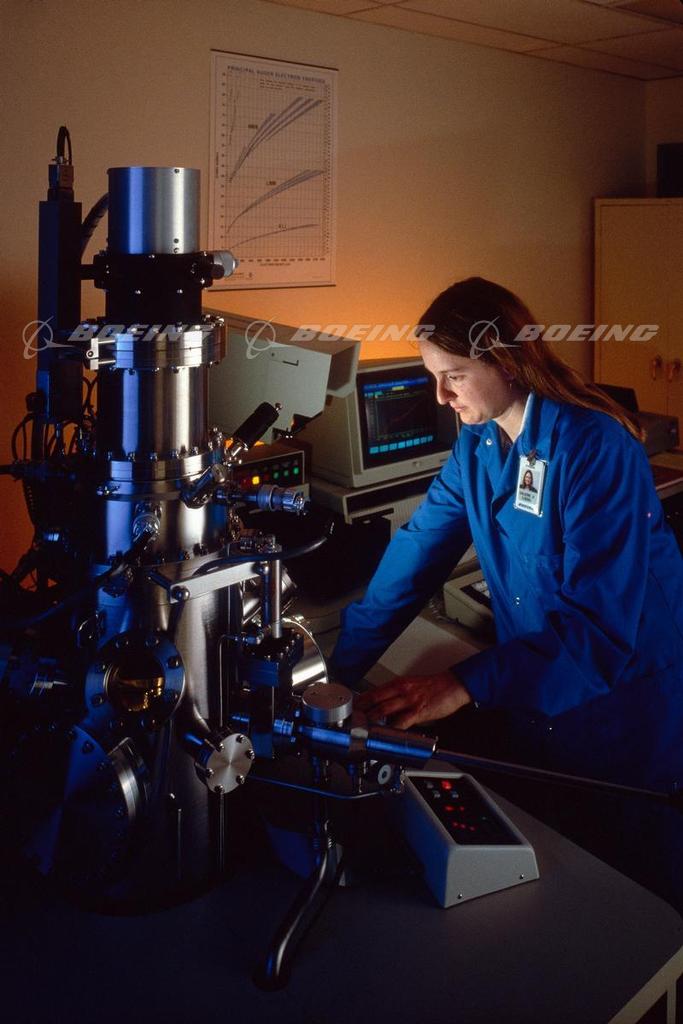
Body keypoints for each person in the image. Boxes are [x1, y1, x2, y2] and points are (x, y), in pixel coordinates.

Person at [329, 277, 683, 906]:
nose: (441, 397)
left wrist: (462, 684)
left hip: (624, 710)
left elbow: (599, 628)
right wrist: (338, 674)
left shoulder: (594, 446)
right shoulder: (481, 443)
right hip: (539, 695)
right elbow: (418, 550)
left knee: (638, 900)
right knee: (566, 884)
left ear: (508, 362)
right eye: (433, 375)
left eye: (455, 375)